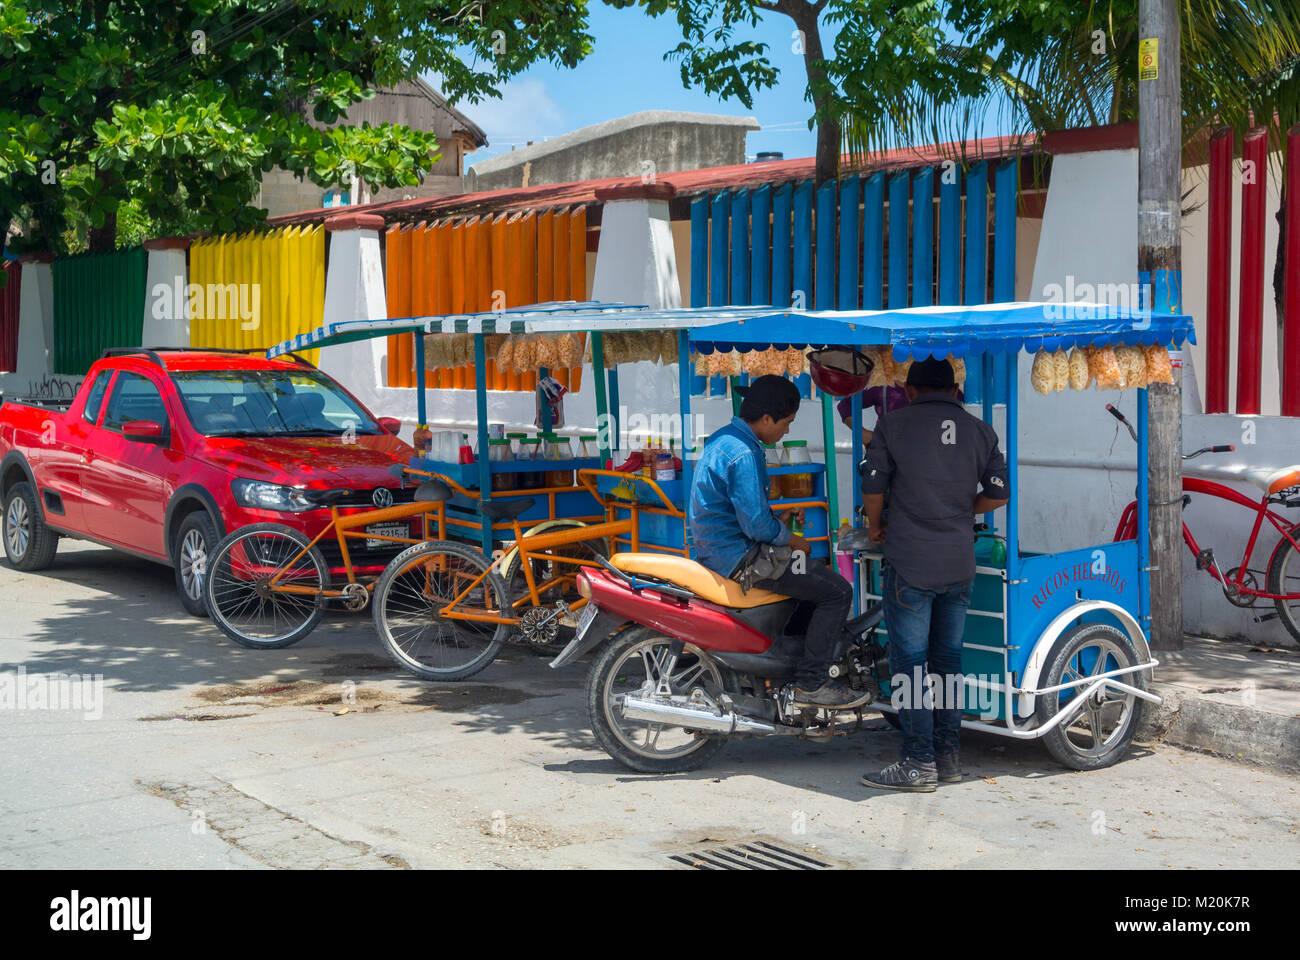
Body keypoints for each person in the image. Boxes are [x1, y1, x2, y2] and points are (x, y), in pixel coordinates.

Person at [859, 357, 1009, 792]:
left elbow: (873, 486)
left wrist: (874, 526)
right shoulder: (982, 431)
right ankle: (947, 758)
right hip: (959, 565)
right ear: (955, 392)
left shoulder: (894, 425)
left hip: (911, 564)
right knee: (947, 663)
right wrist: (964, 509)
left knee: (911, 666)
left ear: (909, 390)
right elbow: (999, 494)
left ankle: (917, 762)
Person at [689, 375, 867, 710]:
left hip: (719, 551)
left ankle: (788, 670)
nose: (785, 432)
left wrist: (776, 526)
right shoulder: (744, 452)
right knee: (837, 591)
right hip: (741, 558)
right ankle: (812, 683)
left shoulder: (723, 439)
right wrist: (793, 539)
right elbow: (756, 524)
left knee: (809, 585)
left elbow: (746, 513)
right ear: (767, 418)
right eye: (786, 424)